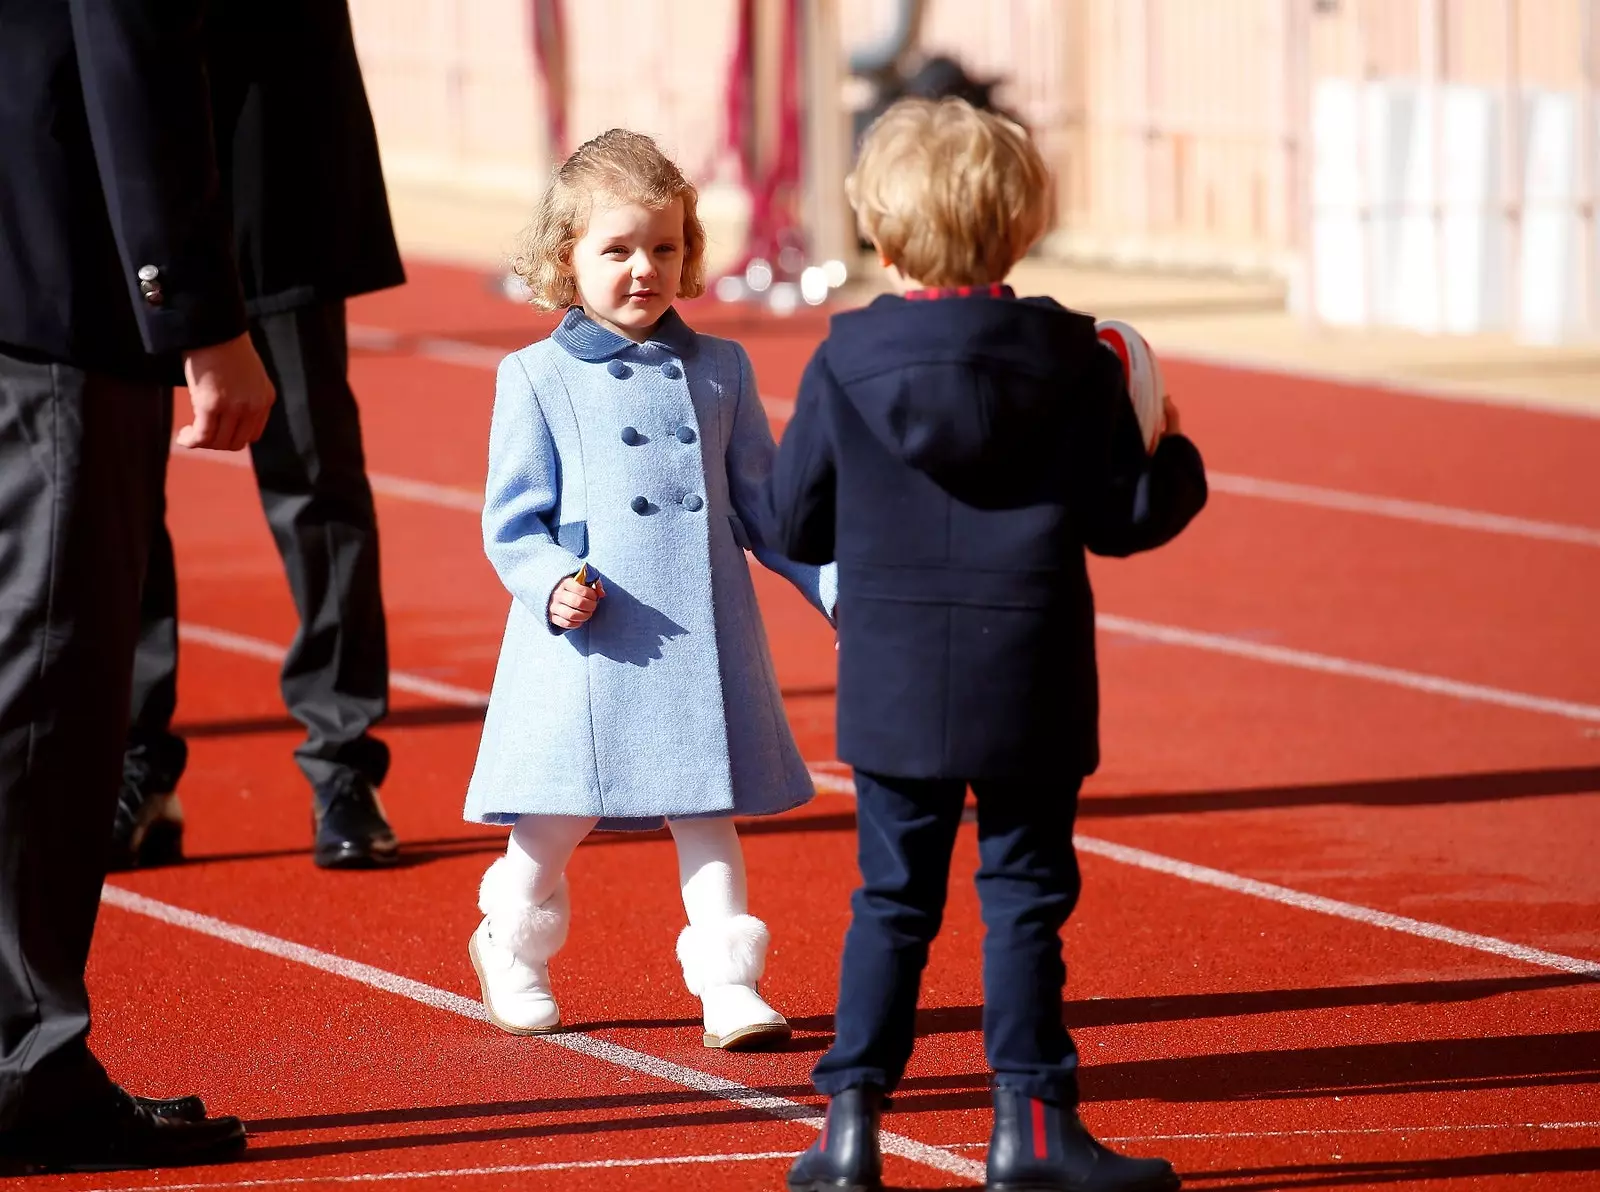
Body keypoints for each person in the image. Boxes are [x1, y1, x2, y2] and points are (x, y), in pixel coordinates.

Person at [769, 98, 1207, 1192]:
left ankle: (849, 1128)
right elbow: (1125, 520)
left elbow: (792, 524)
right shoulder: (1080, 358)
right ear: (1021, 228)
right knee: (1022, 895)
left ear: (880, 236)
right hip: (1031, 671)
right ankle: (1035, 1129)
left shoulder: (843, 361)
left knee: (892, 900)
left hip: (893, 676)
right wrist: (1174, 450)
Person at [463, 130, 835, 1049]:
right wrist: (550, 582)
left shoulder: (721, 371)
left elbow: (769, 508)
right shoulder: (537, 376)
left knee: (707, 811)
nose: (644, 269)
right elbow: (511, 521)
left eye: (664, 248)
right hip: (591, 638)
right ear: (565, 260)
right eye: (617, 250)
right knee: (556, 821)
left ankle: (729, 986)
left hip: (700, 635)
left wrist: (839, 587)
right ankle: (508, 939)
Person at [0, 0, 275, 1169]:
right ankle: (26, 1064)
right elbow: (133, 48)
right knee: (50, 682)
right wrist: (199, 315)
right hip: (57, 289)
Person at [113, 0, 407, 872]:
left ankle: (344, 764)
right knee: (113, 483)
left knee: (315, 473)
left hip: (270, 141)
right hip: (115, 139)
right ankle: (135, 766)